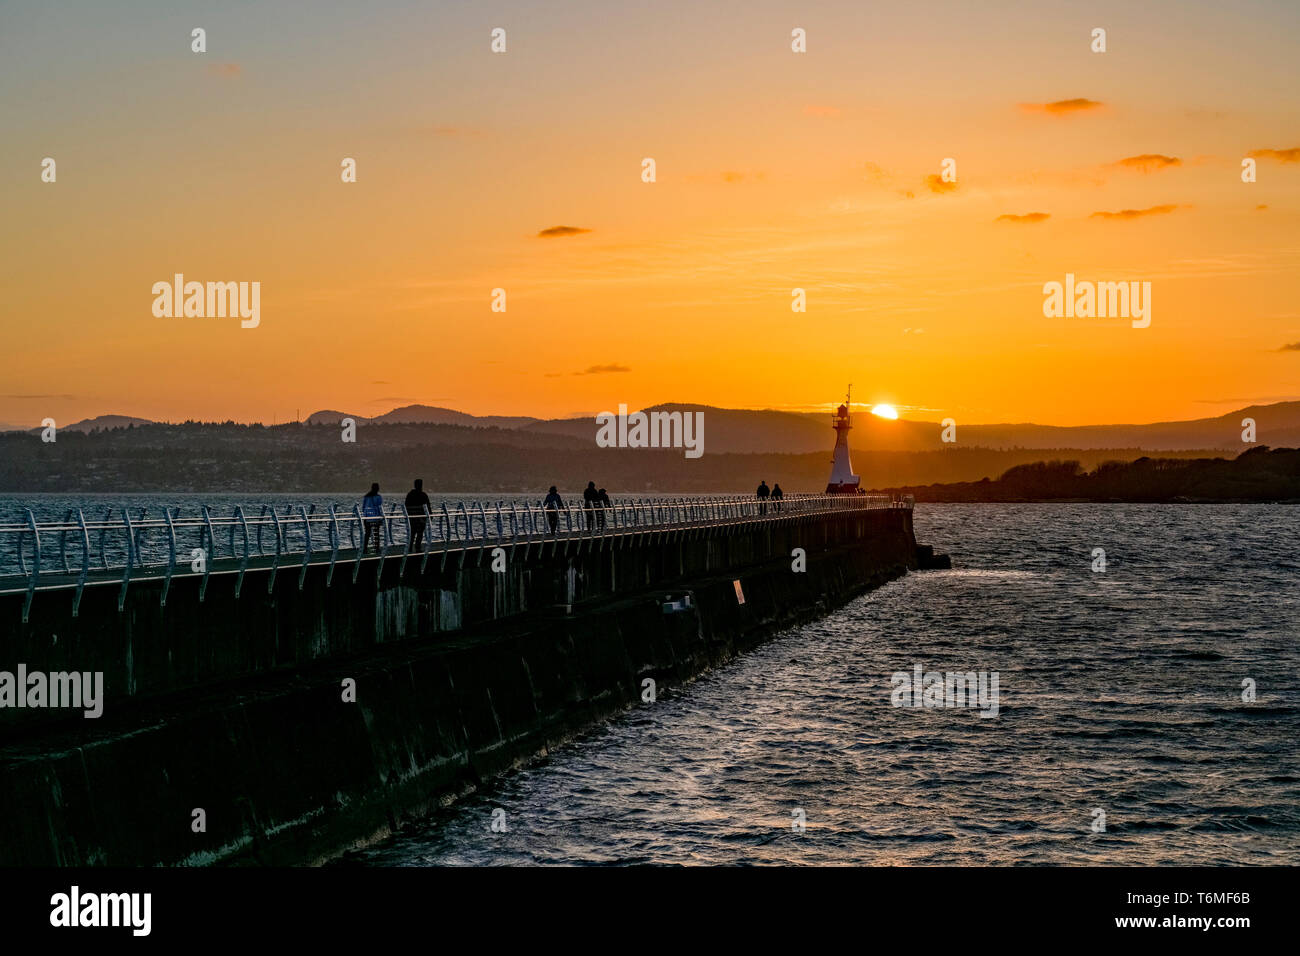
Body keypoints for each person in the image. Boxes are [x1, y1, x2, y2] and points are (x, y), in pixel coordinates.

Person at [405, 478, 431, 550]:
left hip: (411, 519)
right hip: (420, 520)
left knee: (412, 531)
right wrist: (430, 516)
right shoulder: (423, 495)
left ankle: (410, 546)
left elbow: (406, 505)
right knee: (420, 531)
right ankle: (417, 546)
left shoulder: (409, 495)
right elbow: (428, 506)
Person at [361, 482, 384, 553]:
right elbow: (380, 508)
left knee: (367, 533)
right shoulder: (378, 497)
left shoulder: (366, 497)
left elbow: (363, 508)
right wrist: (381, 518)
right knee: (376, 533)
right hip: (375, 519)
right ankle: (377, 548)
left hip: (367, 519)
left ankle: (364, 548)